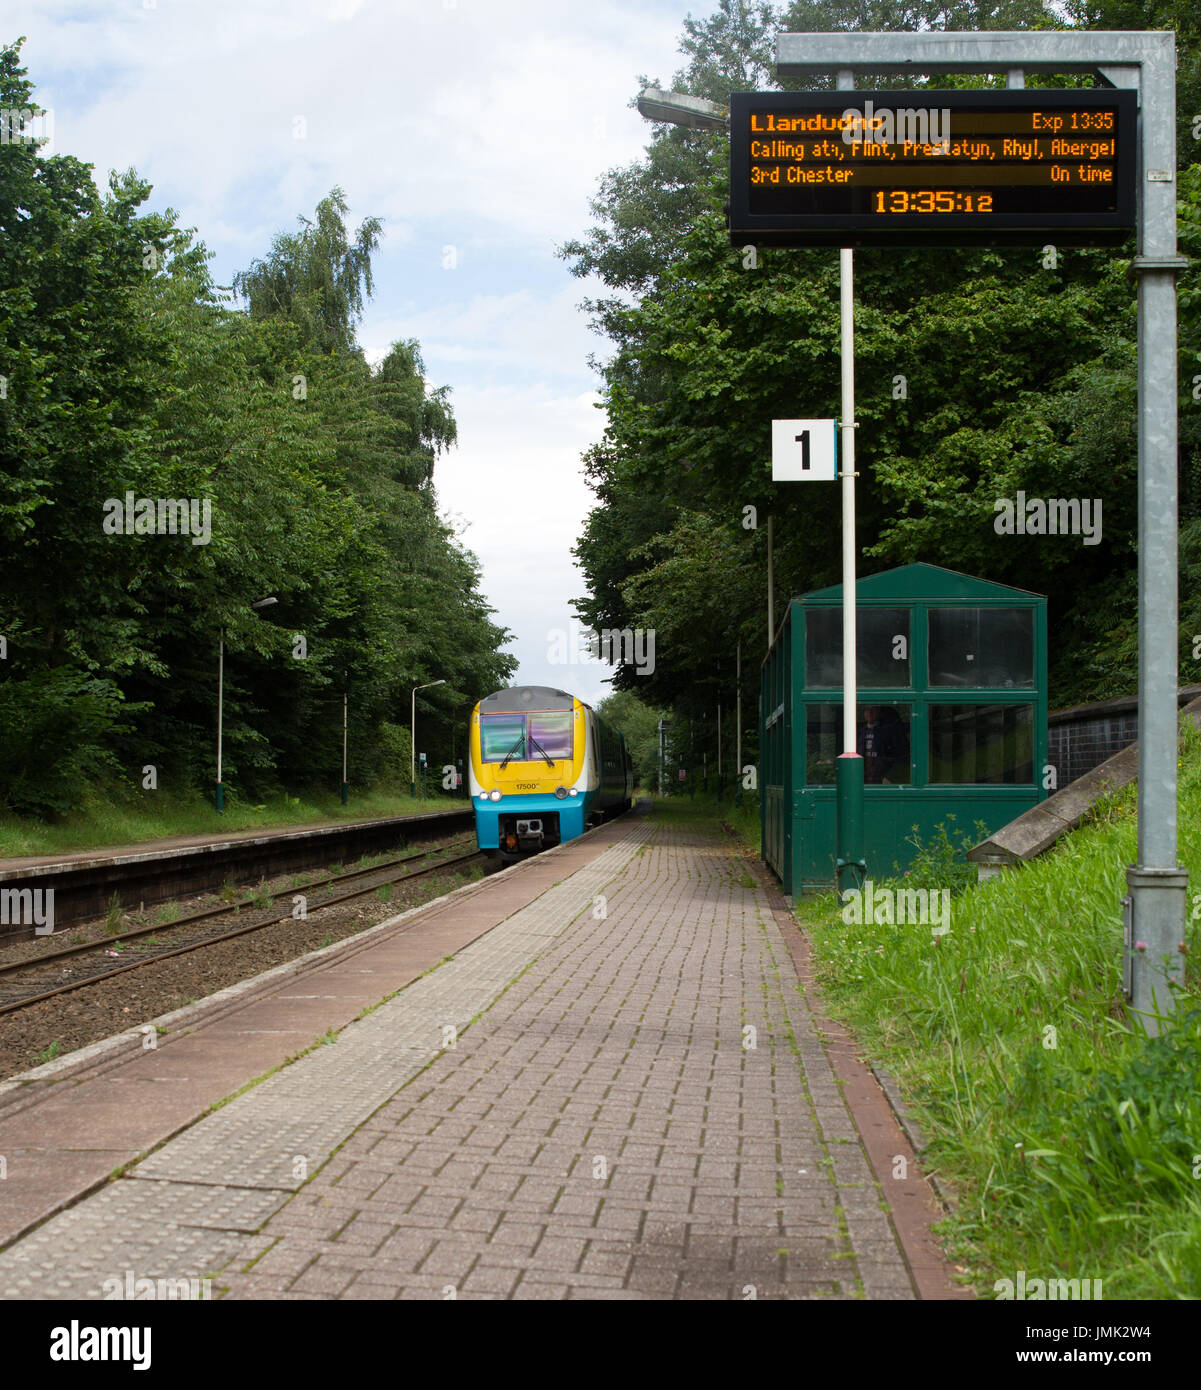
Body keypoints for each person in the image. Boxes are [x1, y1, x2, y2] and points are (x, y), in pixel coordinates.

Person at [858, 706, 908, 783]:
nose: (870, 713)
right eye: (867, 709)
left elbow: (902, 755)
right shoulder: (859, 731)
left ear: (879, 712)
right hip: (862, 778)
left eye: (873, 709)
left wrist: (890, 776)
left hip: (882, 778)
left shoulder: (890, 731)